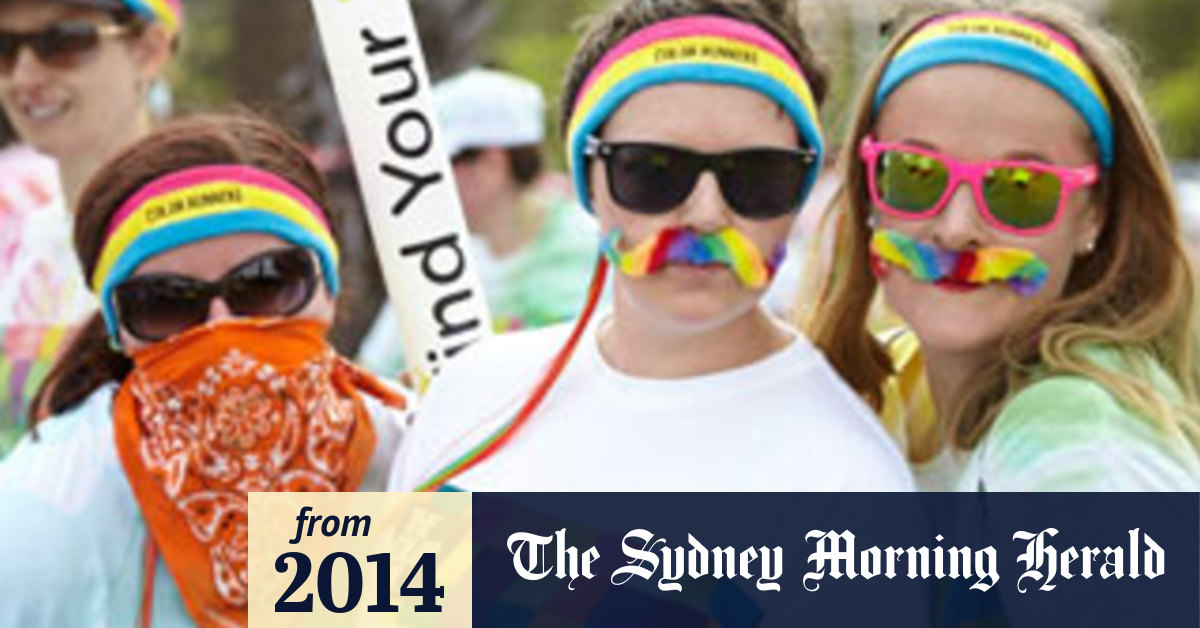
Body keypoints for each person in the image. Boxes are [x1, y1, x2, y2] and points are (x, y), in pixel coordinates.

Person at [389, 0, 913, 493]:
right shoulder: (472, 396)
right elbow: (414, 590)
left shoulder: (845, 477)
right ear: (587, 181)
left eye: (757, 176)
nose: (706, 214)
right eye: (651, 170)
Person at [0, 113, 409, 626]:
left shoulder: (426, 452)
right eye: (165, 303)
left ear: (327, 288)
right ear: (117, 329)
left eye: (266, 282)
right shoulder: (43, 519)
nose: (222, 329)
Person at [808, 2, 1200, 491]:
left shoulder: (1085, 440)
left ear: (1095, 214)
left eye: (1019, 189)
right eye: (915, 174)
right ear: (870, 190)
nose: (956, 229)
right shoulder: (888, 384)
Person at [0, 0, 181, 454]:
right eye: (4, 47)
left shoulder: (215, 241)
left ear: (148, 49)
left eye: (65, 41)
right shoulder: (19, 241)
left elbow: (292, 517)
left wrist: (375, 525)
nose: (24, 77)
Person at [358, 67, 598, 375]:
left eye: (435, 168)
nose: (418, 185)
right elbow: (370, 373)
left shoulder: (594, 249)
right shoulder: (434, 259)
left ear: (492, 164)